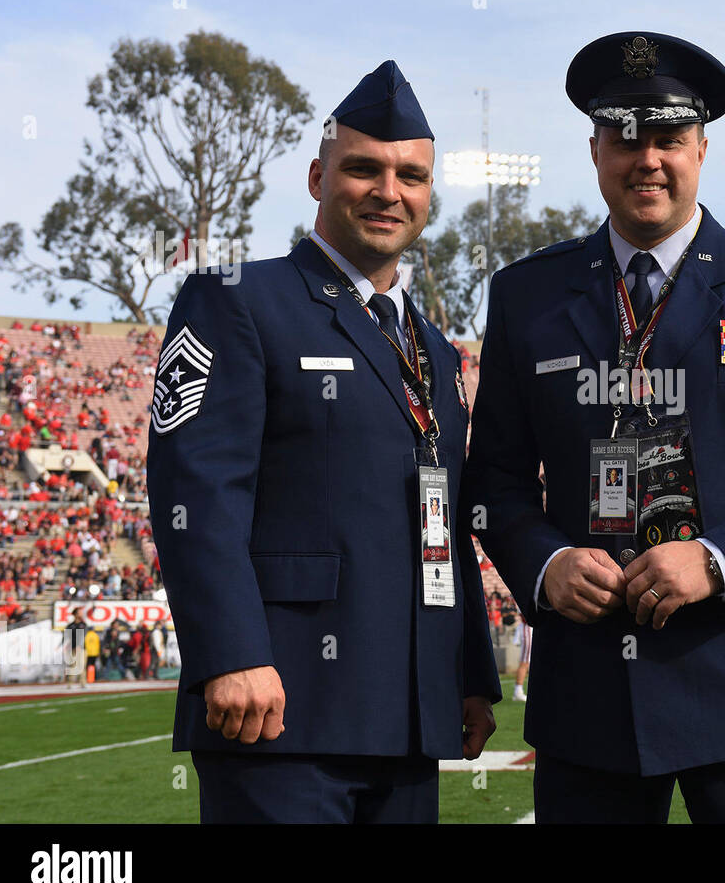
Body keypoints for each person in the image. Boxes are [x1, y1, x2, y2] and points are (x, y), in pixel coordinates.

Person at [464, 32, 725, 824]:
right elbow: (492, 480)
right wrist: (545, 562)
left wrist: (723, 558)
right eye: (626, 138)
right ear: (594, 148)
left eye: (668, 138)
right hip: (589, 697)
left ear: (702, 147)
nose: (647, 159)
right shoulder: (528, 296)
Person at [147, 61, 500, 823]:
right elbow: (196, 492)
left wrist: (469, 669)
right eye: (363, 168)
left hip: (410, 714)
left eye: (410, 175)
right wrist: (232, 653)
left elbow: (447, 517)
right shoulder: (238, 299)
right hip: (279, 711)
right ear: (317, 176)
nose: (388, 190)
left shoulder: (433, 347)